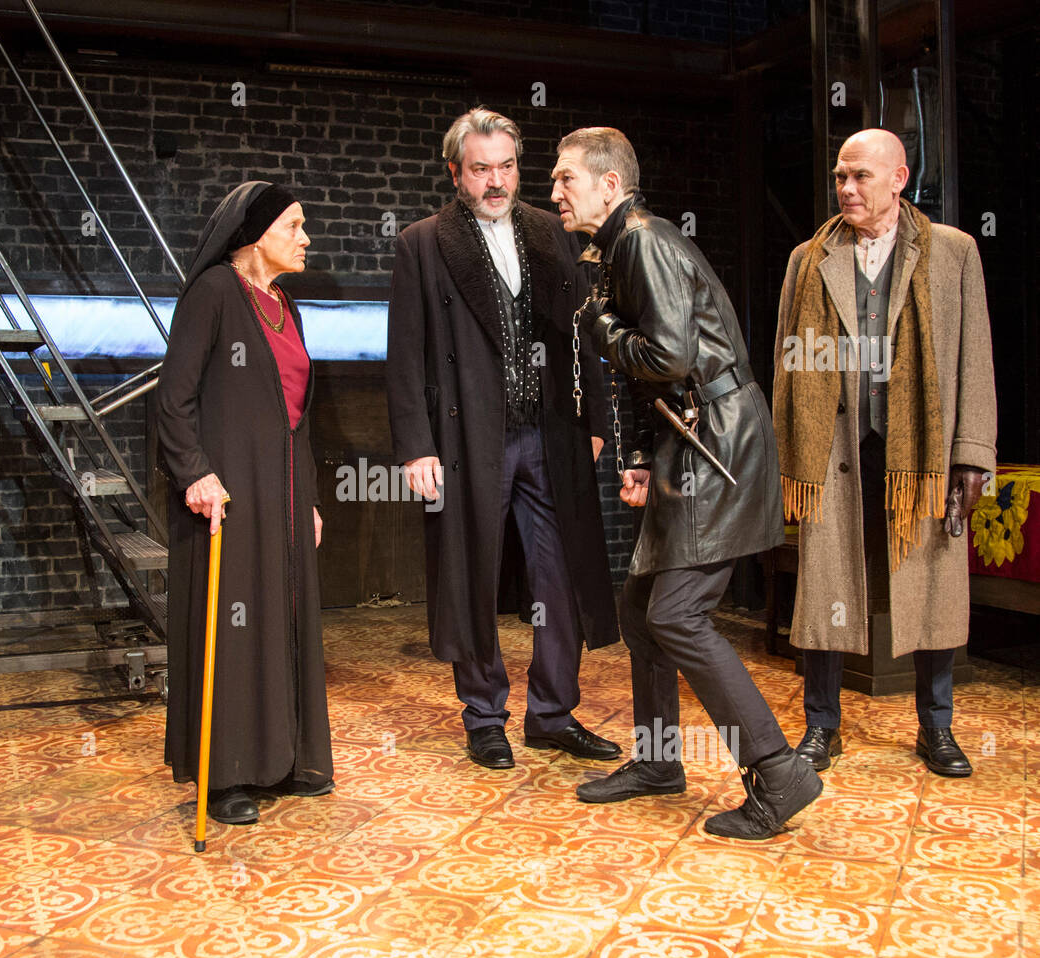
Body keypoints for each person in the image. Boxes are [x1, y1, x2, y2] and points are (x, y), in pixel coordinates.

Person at [555, 126, 822, 839]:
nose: (554, 192)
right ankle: (661, 760)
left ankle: (777, 769)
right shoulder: (619, 244)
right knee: (644, 609)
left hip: (718, 443)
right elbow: (657, 375)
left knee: (676, 613)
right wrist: (641, 455)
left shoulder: (637, 239)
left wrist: (602, 326)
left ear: (610, 185)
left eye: (565, 178)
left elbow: (665, 353)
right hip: (694, 438)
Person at [386, 107, 621, 771]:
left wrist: (597, 422)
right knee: (471, 575)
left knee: (560, 576)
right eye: (481, 168)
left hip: (549, 432)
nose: (496, 181)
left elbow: (584, 335)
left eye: (507, 166)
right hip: (469, 439)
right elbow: (404, 355)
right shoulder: (423, 244)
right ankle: (485, 716)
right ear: (456, 173)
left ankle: (551, 712)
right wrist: (416, 445)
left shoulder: (552, 233)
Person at [773, 128, 997, 777]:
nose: (845, 188)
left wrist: (972, 452)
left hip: (917, 453)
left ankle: (937, 727)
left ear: (899, 178)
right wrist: (791, 449)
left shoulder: (952, 253)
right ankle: (822, 726)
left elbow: (975, 360)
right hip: (834, 450)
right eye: (840, 176)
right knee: (827, 585)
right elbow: (789, 362)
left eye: (860, 176)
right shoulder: (807, 260)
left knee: (928, 581)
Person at [156, 181, 333, 827]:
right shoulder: (213, 295)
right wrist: (194, 472)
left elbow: (299, 420)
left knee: (276, 622)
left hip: (281, 492)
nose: (306, 238)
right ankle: (225, 772)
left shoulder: (287, 307)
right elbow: (173, 398)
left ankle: (281, 758)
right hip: (225, 496)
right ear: (258, 234)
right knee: (231, 629)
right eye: (296, 225)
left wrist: (308, 499)